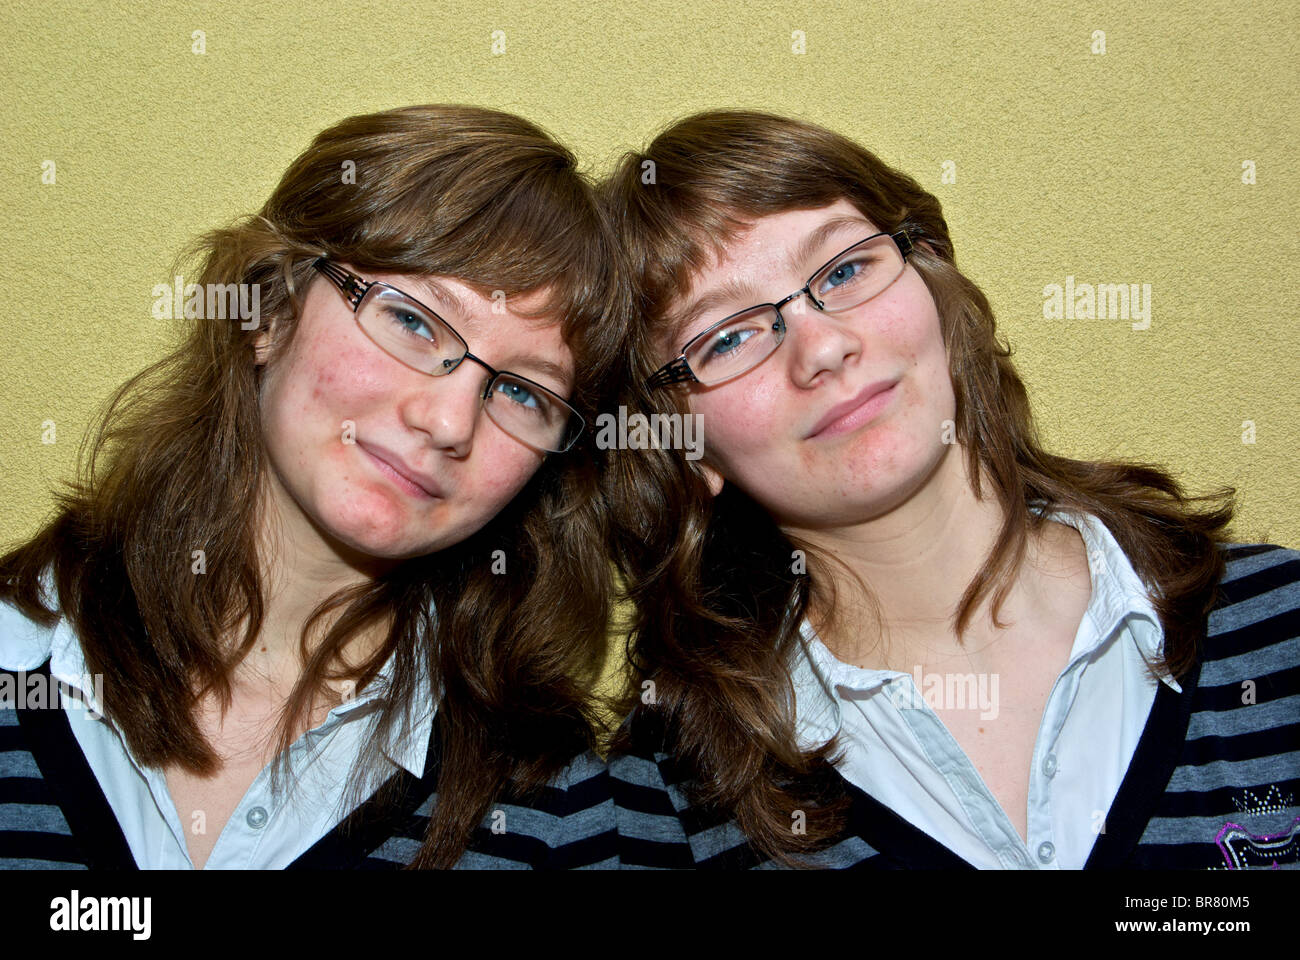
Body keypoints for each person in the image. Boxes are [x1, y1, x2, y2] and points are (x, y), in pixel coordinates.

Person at [598, 109, 1300, 870]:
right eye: (728, 336)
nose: (824, 348)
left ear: (935, 283)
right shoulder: (665, 795)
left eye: (843, 270)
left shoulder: (1281, 628)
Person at [0, 104, 625, 869]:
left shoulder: (549, 807)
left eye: (524, 394)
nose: (450, 420)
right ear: (270, 307)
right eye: (415, 323)